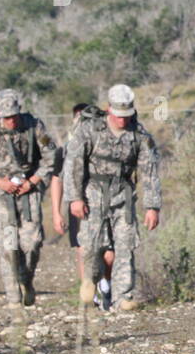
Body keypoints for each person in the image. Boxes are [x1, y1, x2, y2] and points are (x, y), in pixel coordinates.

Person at [62, 84, 161, 313]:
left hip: (123, 195)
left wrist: (152, 206)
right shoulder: (90, 130)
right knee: (91, 246)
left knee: (125, 246)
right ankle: (90, 281)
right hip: (93, 193)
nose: (122, 121)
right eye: (118, 116)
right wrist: (75, 198)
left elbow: (149, 171)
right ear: (109, 110)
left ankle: (123, 297)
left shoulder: (140, 135)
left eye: (126, 116)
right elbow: (73, 164)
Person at [0, 89, 58, 307]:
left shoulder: (34, 126)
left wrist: (33, 181)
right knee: (8, 246)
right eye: (6, 118)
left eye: (14, 116)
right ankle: (14, 298)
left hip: (29, 190)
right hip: (0, 193)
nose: (11, 121)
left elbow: (51, 158)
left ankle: (26, 279)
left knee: (33, 243)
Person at [50, 103, 115, 309]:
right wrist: (56, 212)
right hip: (80, 203)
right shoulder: (66, 151)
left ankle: (106, 284)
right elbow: (57, 180)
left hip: (107, 201)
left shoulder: (107, 143)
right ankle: (89, 292)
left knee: (108, 251)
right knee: (82, 249)